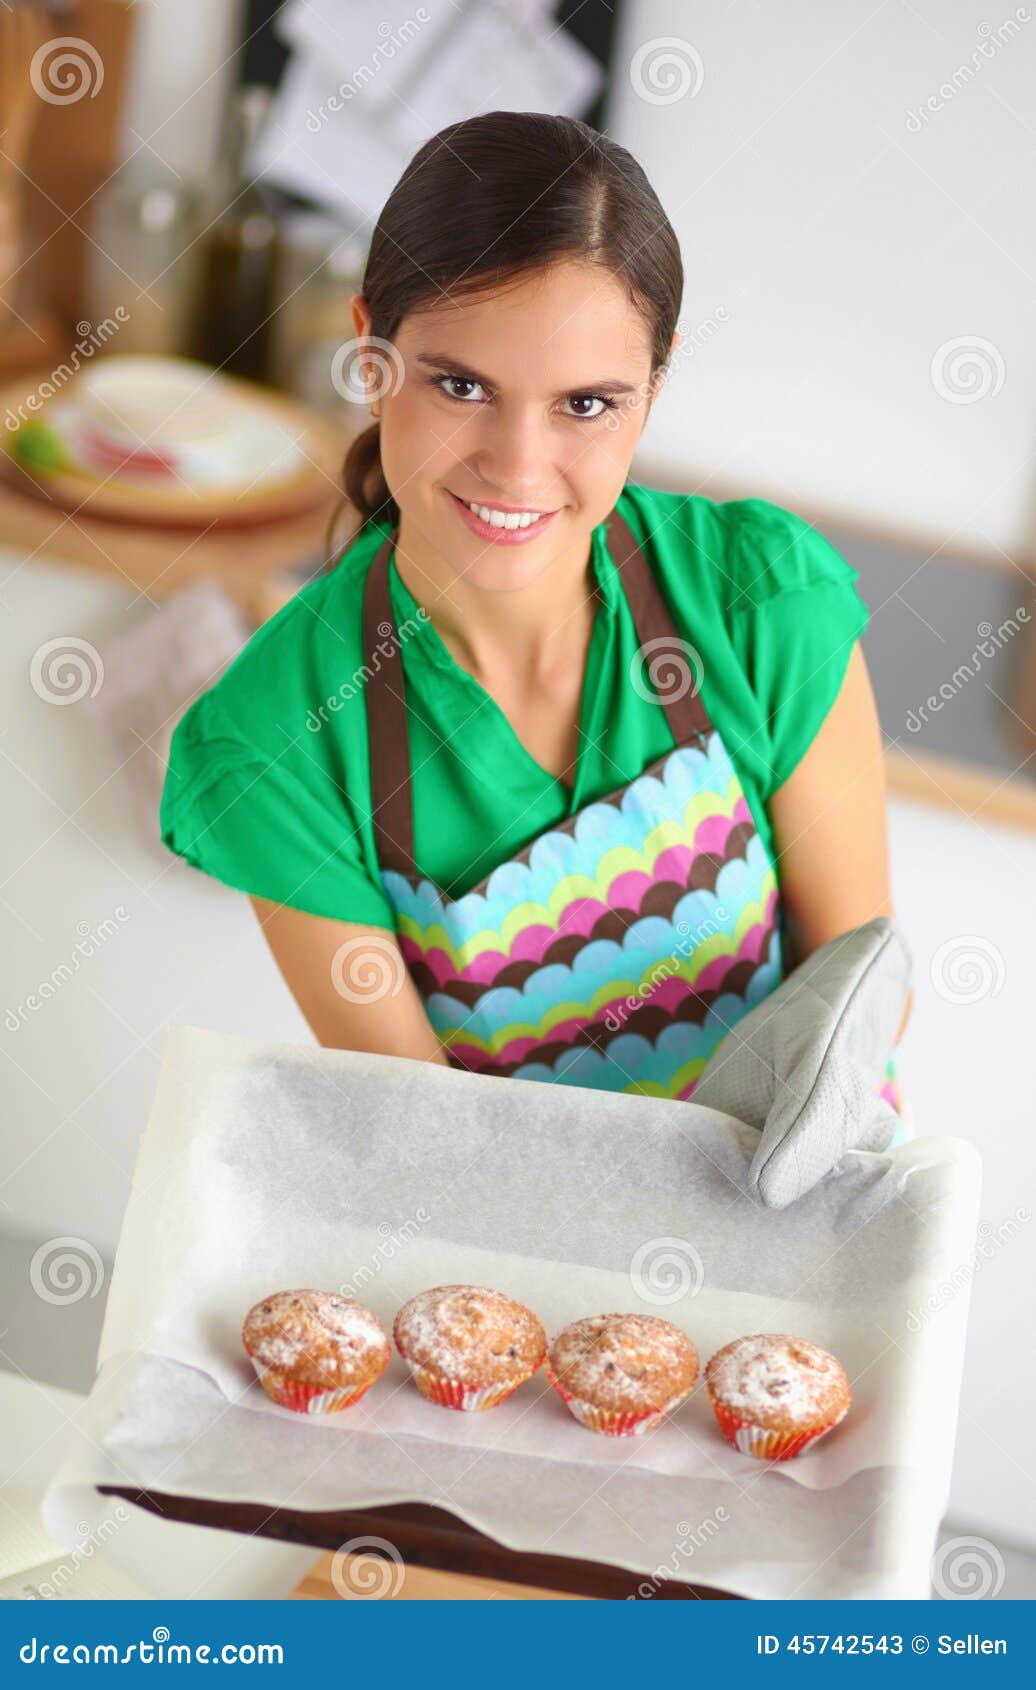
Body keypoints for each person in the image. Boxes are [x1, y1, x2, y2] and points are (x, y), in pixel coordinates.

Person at [160, 110, 911, 1137]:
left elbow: (861, 1000)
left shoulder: (754, 599)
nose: (516, 467)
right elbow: (430, 1138)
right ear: (371, 356)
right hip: (513, 1258)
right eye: (460, 385)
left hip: (809, 1199)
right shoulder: (276, 741)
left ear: (654, 383)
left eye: (586, 404)